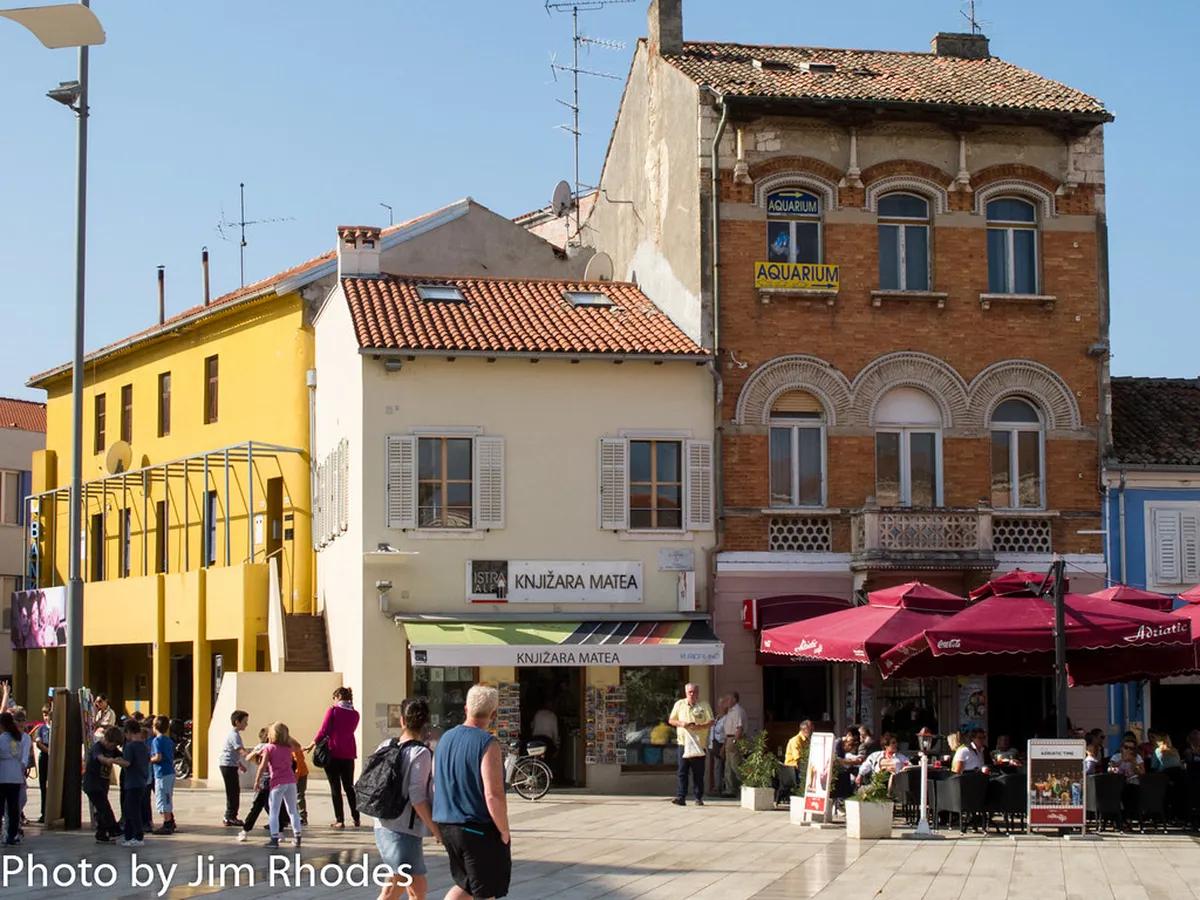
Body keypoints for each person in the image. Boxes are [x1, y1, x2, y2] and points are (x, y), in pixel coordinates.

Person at [432, 684, 512, 900]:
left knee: (466, 884)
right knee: (485, 891)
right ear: (493, 714)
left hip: (447, 824)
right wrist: (504, 830)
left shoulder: (444, 739)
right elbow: (493, 793)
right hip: (475, 828)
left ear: (466, 708)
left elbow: (435, 782)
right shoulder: (487, 743)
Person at [374, 698, 440, 900]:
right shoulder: (421, 753)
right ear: (425, 724)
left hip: (382, 823)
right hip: (403, 830)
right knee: (415, 889)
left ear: (402, 721)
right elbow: (417, 796)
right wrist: (436, 829)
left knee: (399, 887)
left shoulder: (385, 745)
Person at [306, 686, 361, 829]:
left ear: (337, 697)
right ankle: (356, 818)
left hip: (333, 752)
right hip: (349, 753)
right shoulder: (355, 714)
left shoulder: (333, 711)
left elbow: (324, 730)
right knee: (349, 787)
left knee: (335, 788)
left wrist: (312, 743)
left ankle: (340, 820)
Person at [257, 722, 301, 849]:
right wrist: (287, 737)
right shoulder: (288, 748)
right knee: (293, 810)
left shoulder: (269, 748)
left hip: (277, 782)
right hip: (291, 781)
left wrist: (257, 780)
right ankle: (297, 837)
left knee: (274, 811)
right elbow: (298, 746)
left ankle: (274, 838)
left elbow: (262, 766)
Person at [667, 683, 713, 806]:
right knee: (682, 772)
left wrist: (700, 726)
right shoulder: (679, 704)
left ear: (698, 693)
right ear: (686, 693)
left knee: (698, 773)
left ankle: (698, 797)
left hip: (699, 744)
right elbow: (671, 720)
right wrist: (681, 723)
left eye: (694, 692)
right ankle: (681, 797)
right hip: (683, 743)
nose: (692, 694)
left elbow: (711, 721)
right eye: (690, 692)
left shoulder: (704, 705)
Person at [111, 719, 150, 847]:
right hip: (141, 781)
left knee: (131, 811)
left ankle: (137, 836)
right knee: (133, 809)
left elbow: (127, 763)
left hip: (132, 782)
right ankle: (130, 837)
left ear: (128, 732)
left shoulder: (130, 746)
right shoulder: (144, 746)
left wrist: (115, 761)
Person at [84, 726, 122, 843]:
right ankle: (113, 829)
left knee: (101, 809)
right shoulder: (97, 747)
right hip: (92, 784)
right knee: (104, 808)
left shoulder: (113, 749)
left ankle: (101, 833)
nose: (113, 748)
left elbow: (121, 756)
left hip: (103, 783)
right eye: (112, 745)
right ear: (106, 739)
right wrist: (111, 760)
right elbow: (101, 758)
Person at [0, 711, 31, 846]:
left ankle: (5, 833)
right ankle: (12, 835)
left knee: (1, 808)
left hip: (3, 776)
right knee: (14, 808)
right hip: (15, 776)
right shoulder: (18, 738)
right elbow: (20, 756)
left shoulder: (2, 739)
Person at [219, 710, 250, 827]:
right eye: (245, 722)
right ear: (237, 722)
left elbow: (233, 753)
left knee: (233, 791)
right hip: (227, 766)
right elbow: (240, 751)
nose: (246, 724)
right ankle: (230, 816)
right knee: (233, 792)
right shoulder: (234, 735)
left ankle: (230, 816)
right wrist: (253, 757)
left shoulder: (235, 735)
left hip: (230, 765)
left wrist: (240, 765)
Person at [149, 716, 176, 835]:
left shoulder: (156, 741)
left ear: (155, 727)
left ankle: (167, 822)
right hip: (170, 772)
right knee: (168, 797)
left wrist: (148, 760)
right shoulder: (169, 740)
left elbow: (158, 757)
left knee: (163, 798)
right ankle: (169, 820)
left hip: (161, 772)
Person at [721, 691, 746, 797]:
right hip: (728, 739)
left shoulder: (738, 711)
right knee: (728, 766)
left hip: (734, 739)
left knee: (736, 765)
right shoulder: (730, 711)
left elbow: (739, 728)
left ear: (735, 699)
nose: (726, 701)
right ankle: (730, 789)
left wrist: (735, 741)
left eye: (728, 699)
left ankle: (746, 785)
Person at [708, 695, 728, 797]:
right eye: (719, 705)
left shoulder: (727, 718)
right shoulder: (716, 718)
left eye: (722, 704)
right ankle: (717, 787)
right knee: (717, 766)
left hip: (721, 745)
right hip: (714, 745)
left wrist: (723, 747)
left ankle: (722, 788)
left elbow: (727, 734)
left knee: (723, 767)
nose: (719, 707)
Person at [33, 704, 50, 824]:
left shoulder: (56, 728)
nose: (46, 717)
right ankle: (44, 813)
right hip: (45, 757)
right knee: (43, 786)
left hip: (54, 758)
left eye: (48, 714)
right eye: (44, 715)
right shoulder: (41, 729)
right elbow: (38, 743)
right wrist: (49, 751)